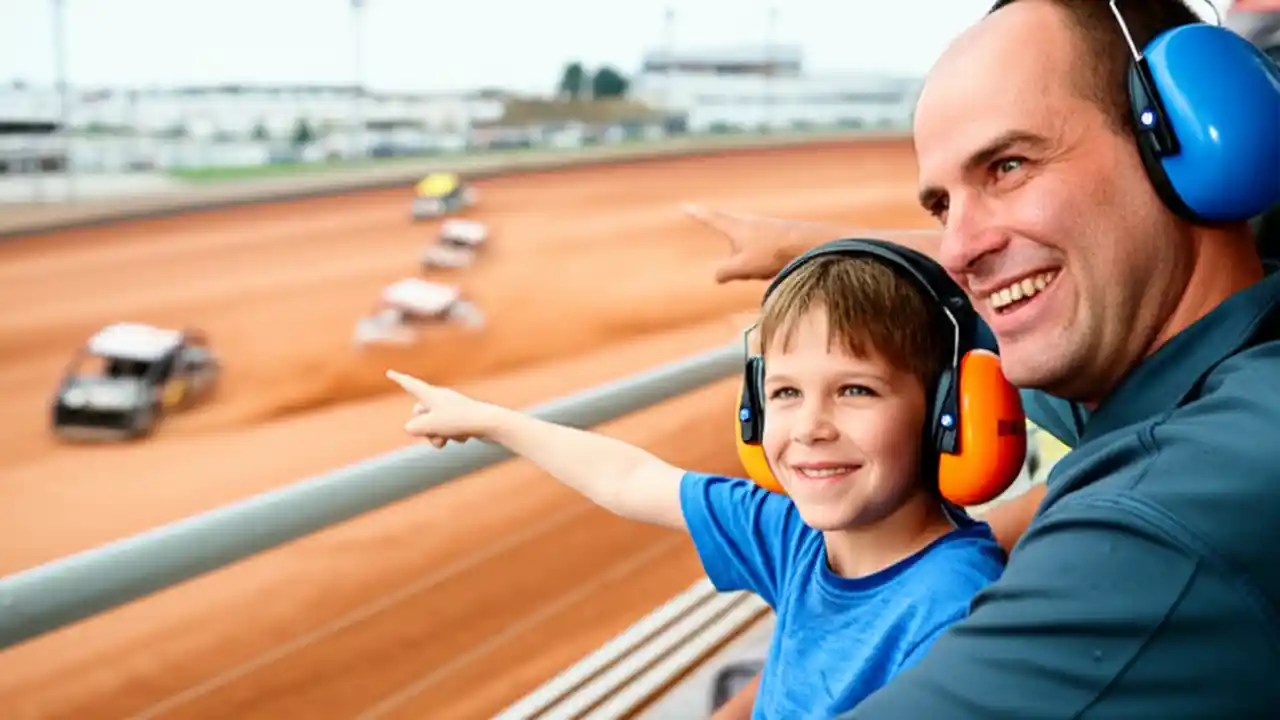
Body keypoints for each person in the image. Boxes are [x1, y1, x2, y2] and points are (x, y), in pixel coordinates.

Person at [689, 0, 1280, 717]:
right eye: (942, 206)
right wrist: (800, 247)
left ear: (1182, 142)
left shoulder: (1174, 515)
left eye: (1008, 166)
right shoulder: (1198, 353)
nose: (959, 251)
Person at [387, 240, 1012, 718]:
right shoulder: (793, 538)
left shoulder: (954, 606)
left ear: (945, 413)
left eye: (855, 390)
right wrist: (491, 421)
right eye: (786, 393)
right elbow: (629, 478)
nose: (810, 427)